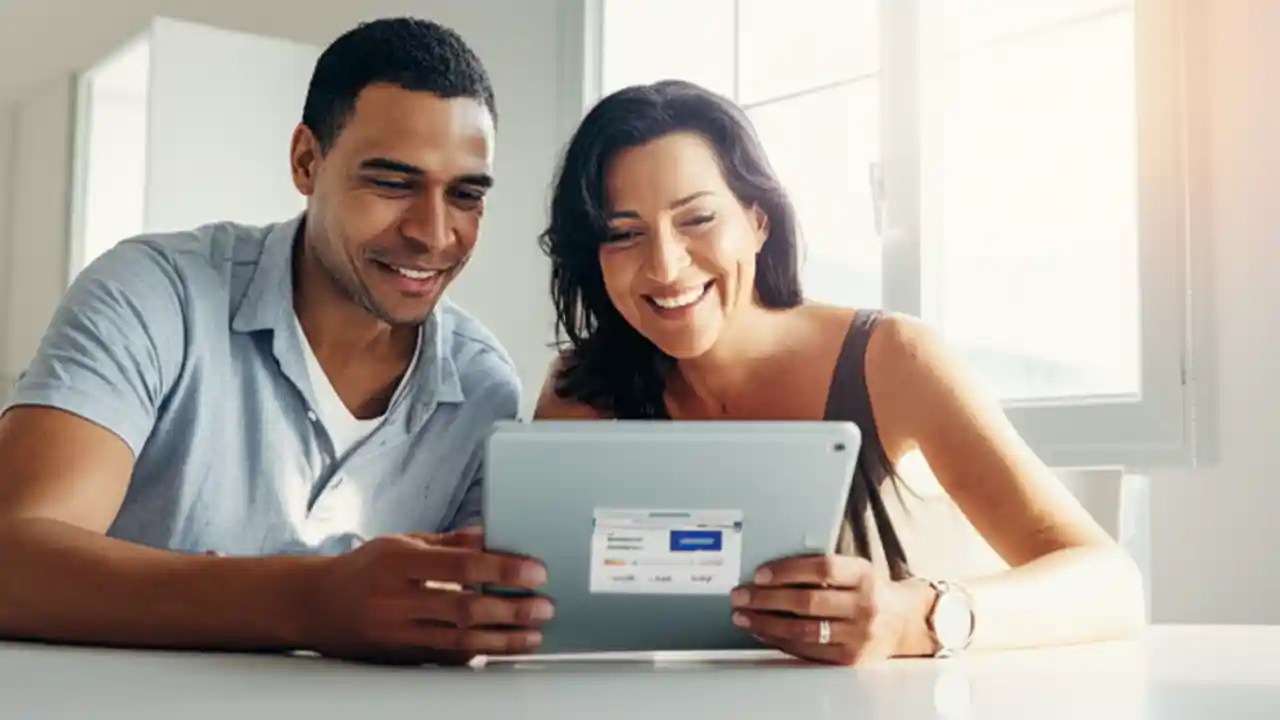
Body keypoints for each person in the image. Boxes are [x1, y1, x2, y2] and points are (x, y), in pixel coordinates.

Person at [535, 80, 1146, 665]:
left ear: (758, 220)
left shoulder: (893, 358)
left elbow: (1113, 584)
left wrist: (917, 616)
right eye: (624, 234)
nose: (665, 266)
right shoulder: (584, 393)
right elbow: (545, 607)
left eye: (697, 219)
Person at [0, 18, 553, 664]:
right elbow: (14, 556)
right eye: (393, 183)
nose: (434, 234)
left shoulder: (484, 386)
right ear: (306, 162)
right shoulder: (153, 294)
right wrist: (311, 600)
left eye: (465, 195)